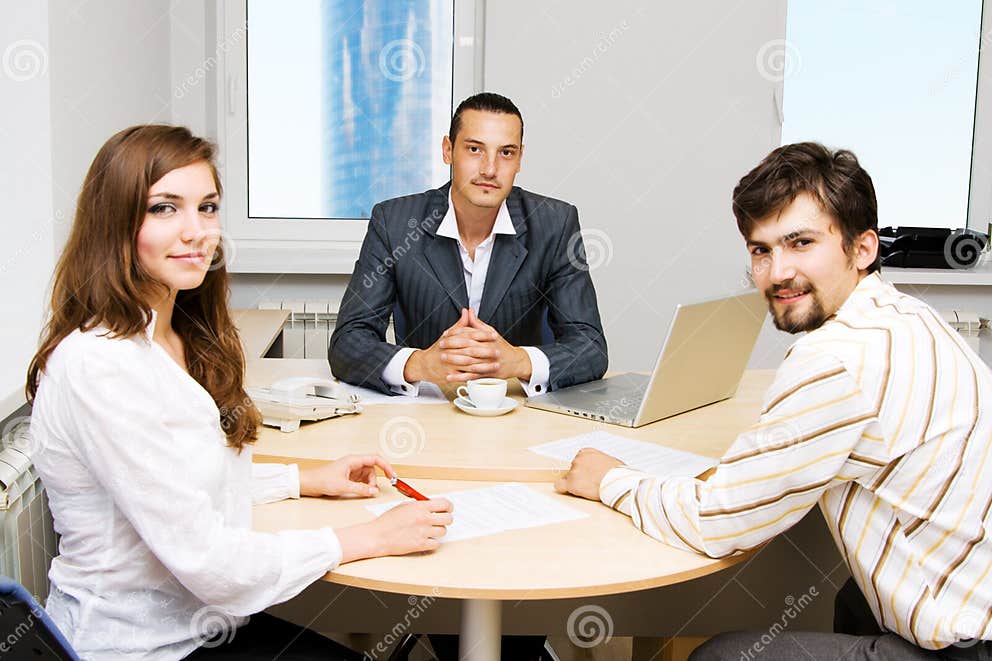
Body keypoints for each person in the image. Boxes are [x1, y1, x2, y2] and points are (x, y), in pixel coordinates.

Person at [25, 125, 454, 660]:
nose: (197, 232)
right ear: (113, 223)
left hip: (202, 625)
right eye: (165, 208)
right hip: (143, 646)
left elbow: (182, 483)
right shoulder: (99, 365)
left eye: (207, 208)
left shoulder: (175, 335)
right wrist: (370, 538)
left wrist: (303, 480)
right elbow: (208, 560)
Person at [554, 142, 992, 659]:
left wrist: (610, 479)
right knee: (853, 600)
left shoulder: (837, 358)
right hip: (972, 597)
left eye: (801, 242)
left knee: (719, 656)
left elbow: (719, 523)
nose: (777, 272)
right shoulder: (905, 315)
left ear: (862, 249)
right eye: (761, 250)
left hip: (968, 643)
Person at [328, 92, 608, 398]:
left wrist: (518, 360)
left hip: (516, 410)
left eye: (506, 153)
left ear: (520, 159)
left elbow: (590, 347)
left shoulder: (554, 224)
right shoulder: (394, 223)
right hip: (427, 410)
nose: (489, 169)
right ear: (448, 150)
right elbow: (348, 341)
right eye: (475, 149)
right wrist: (420, 364)